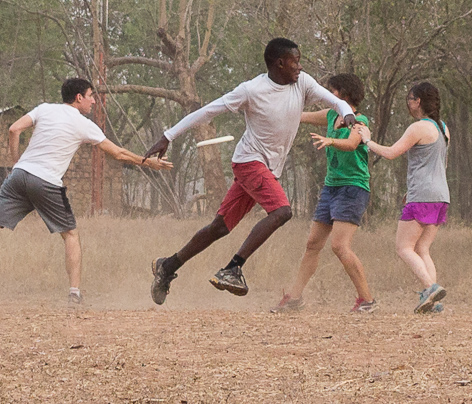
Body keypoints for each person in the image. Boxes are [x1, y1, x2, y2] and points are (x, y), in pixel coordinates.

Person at [144, 37, 357, 303]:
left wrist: (348, 114)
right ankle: (233, 268)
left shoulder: (302, 83)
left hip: (267, 168)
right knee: (282, 211)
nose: (299, 67)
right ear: (280, 63)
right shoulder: (251, 90)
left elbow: (336, 102)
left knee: (219, 227)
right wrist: (168, 135)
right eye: (295, 61)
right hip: (249, 162)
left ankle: (168, 266)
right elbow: (208, 111)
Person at [0, 79, 172, 307]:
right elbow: (118, 154)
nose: (93, 102)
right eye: (90, 97)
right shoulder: (83, 124)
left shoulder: (45, 109)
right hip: (46, 181)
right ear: (79, 98)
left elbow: (14, 129)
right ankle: (74, 295)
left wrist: (16, 163)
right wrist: (148, 162)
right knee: (71, 236)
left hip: (19, 176)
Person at [271, 73, 376, 314]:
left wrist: (330, 141)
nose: (328, 96)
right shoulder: (330, 115)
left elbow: (351, 143)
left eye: (333, 92)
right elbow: (298, 117)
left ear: (345, 94)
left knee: (339, 246)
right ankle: (294, 298)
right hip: (331, 187)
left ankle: (367, 300)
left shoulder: (359, 121)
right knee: (313, 244)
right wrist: (270, 109)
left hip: (353, 188)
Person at [366, 81, 450, 314]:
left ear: (418, 101)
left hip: (422, 194)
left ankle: (430, 288)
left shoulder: (418, 128)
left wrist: (367, 140)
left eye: (409, 99)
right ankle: (434, 302)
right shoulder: (443, 127)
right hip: (440, 195)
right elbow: (439, 164)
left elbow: (391, 153)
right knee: (422, 248)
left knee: (403, 247)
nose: (408, 103)